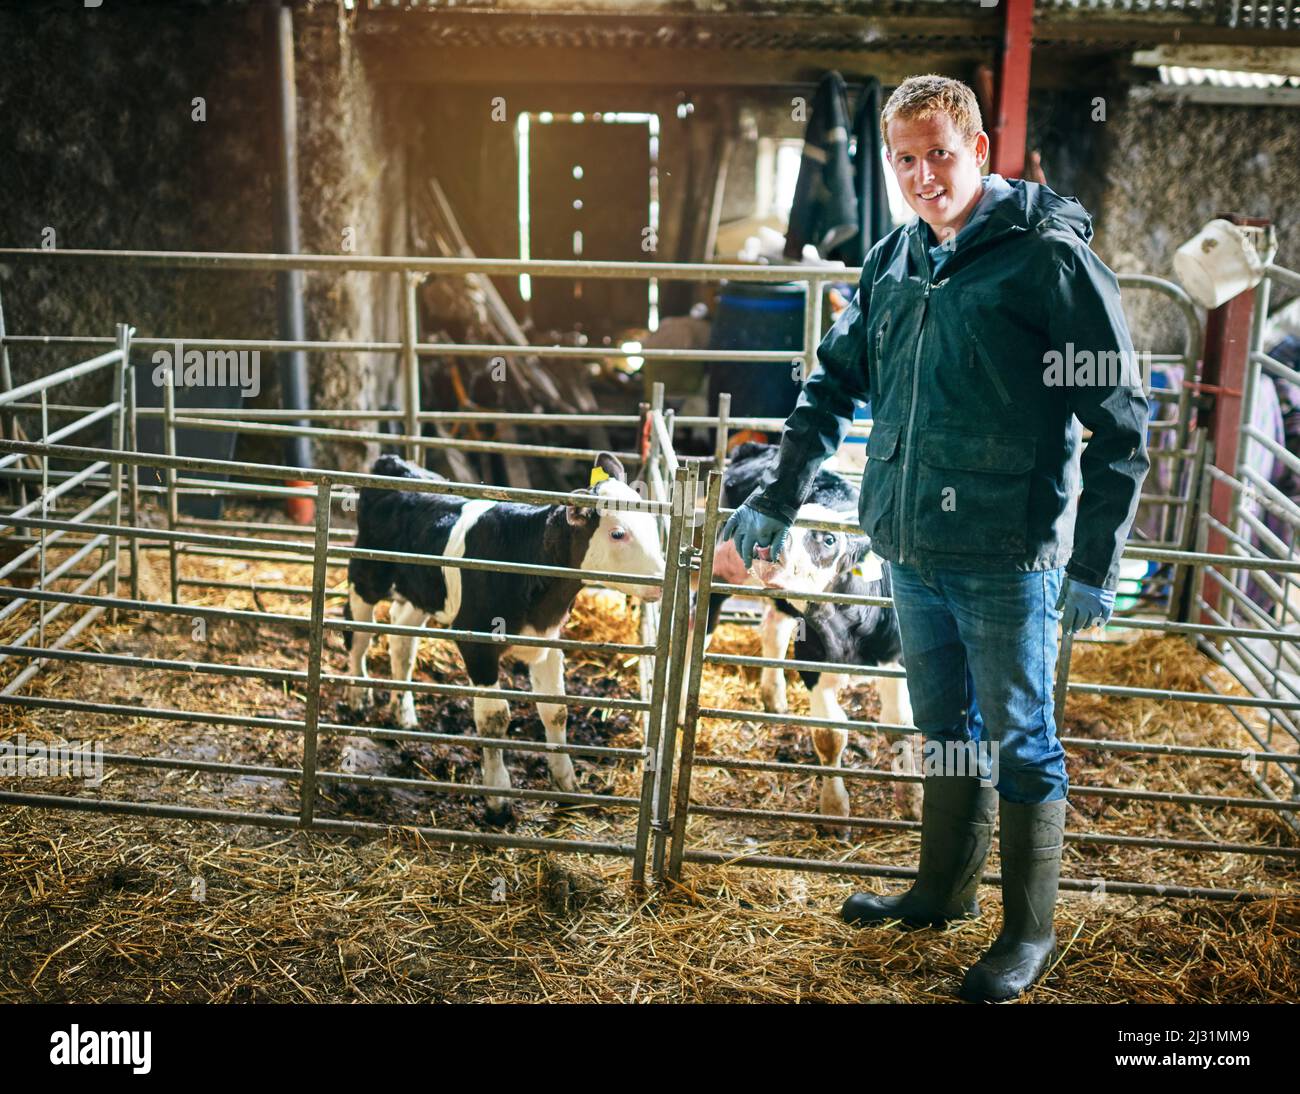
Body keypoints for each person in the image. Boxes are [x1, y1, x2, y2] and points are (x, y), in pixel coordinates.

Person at [721, 74, 1150, 1002]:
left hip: (1009, 556)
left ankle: (1026, 934)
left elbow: (1120, 418)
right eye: (905, 160)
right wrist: (779, 499)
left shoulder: (1046, 261)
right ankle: (943, 892)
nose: (923, 176)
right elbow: (830, 390)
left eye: (940, 155)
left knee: (1021, 742)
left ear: (980, 152)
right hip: (910, 548)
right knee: (944, 728)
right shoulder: (893, 261)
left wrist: (1094, 559)